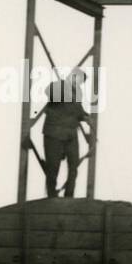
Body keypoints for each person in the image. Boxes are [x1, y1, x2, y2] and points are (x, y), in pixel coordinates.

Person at [41, 68, 90, 198]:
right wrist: (62, 91)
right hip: (54, 134)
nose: (79, 83)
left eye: (81, 81)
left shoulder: (77, 93)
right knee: (53, 168)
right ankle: (51, 197)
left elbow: (79, 112)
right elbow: (48, 91)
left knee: (73, 167)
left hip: (70, 135)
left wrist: (86, 118)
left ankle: (69, 197)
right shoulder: (59, 85)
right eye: (78, 79)